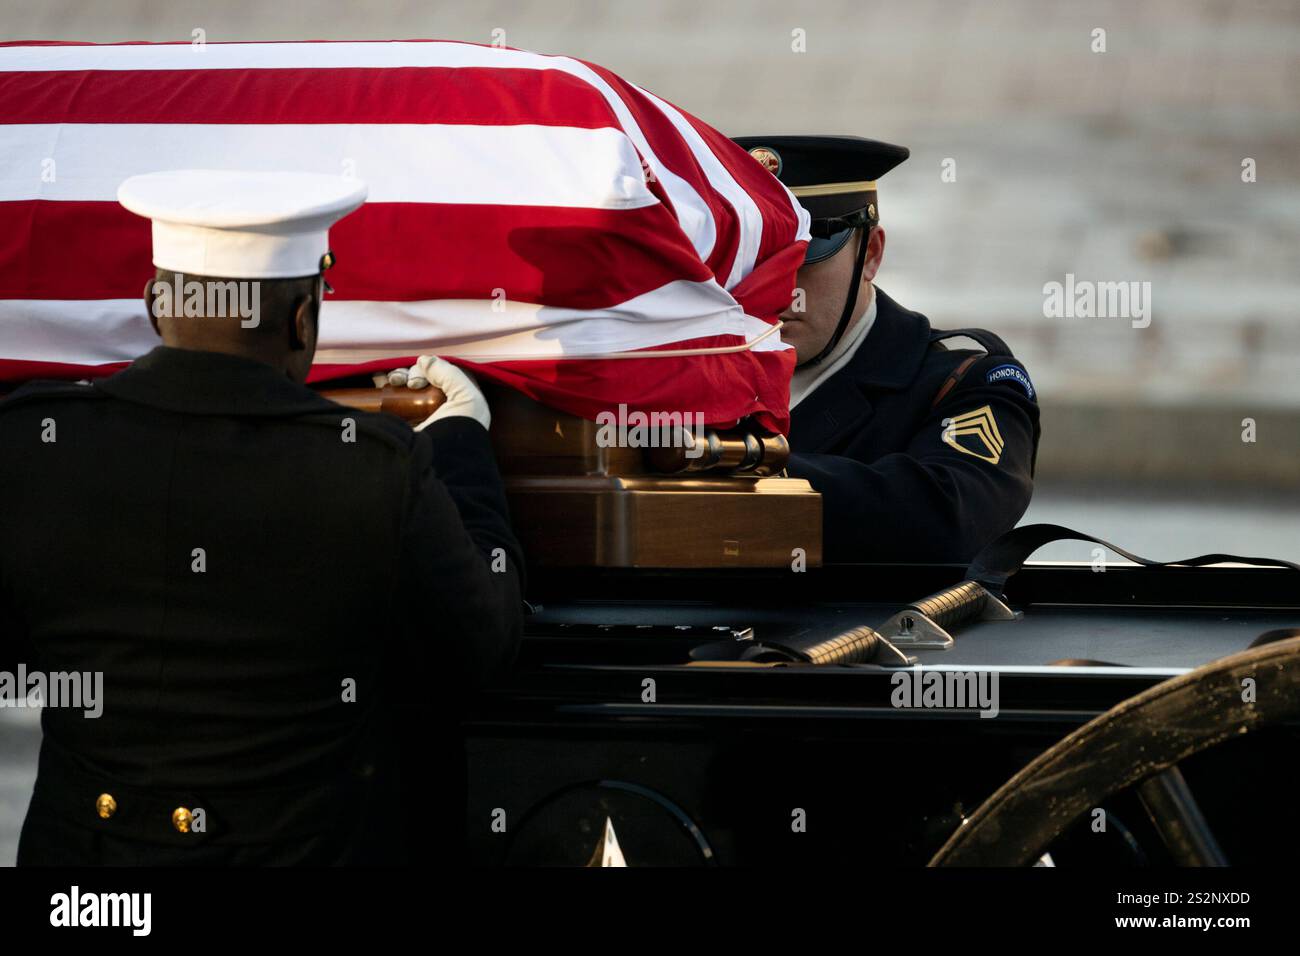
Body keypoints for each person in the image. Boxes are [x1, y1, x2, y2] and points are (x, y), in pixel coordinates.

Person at [0, 169, 523, 865]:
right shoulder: (372, 469)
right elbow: (479, 647)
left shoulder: (34, 446)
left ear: (158, 305)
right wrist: (459, 442)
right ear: (303, 317)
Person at [733, 135, 1042, 563]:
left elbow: (949, 520)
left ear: (872, 254)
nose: (777, 286)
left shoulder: (963, 381)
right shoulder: (673, 378)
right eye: (751, 261)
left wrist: (732, 470)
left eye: (803, 258)